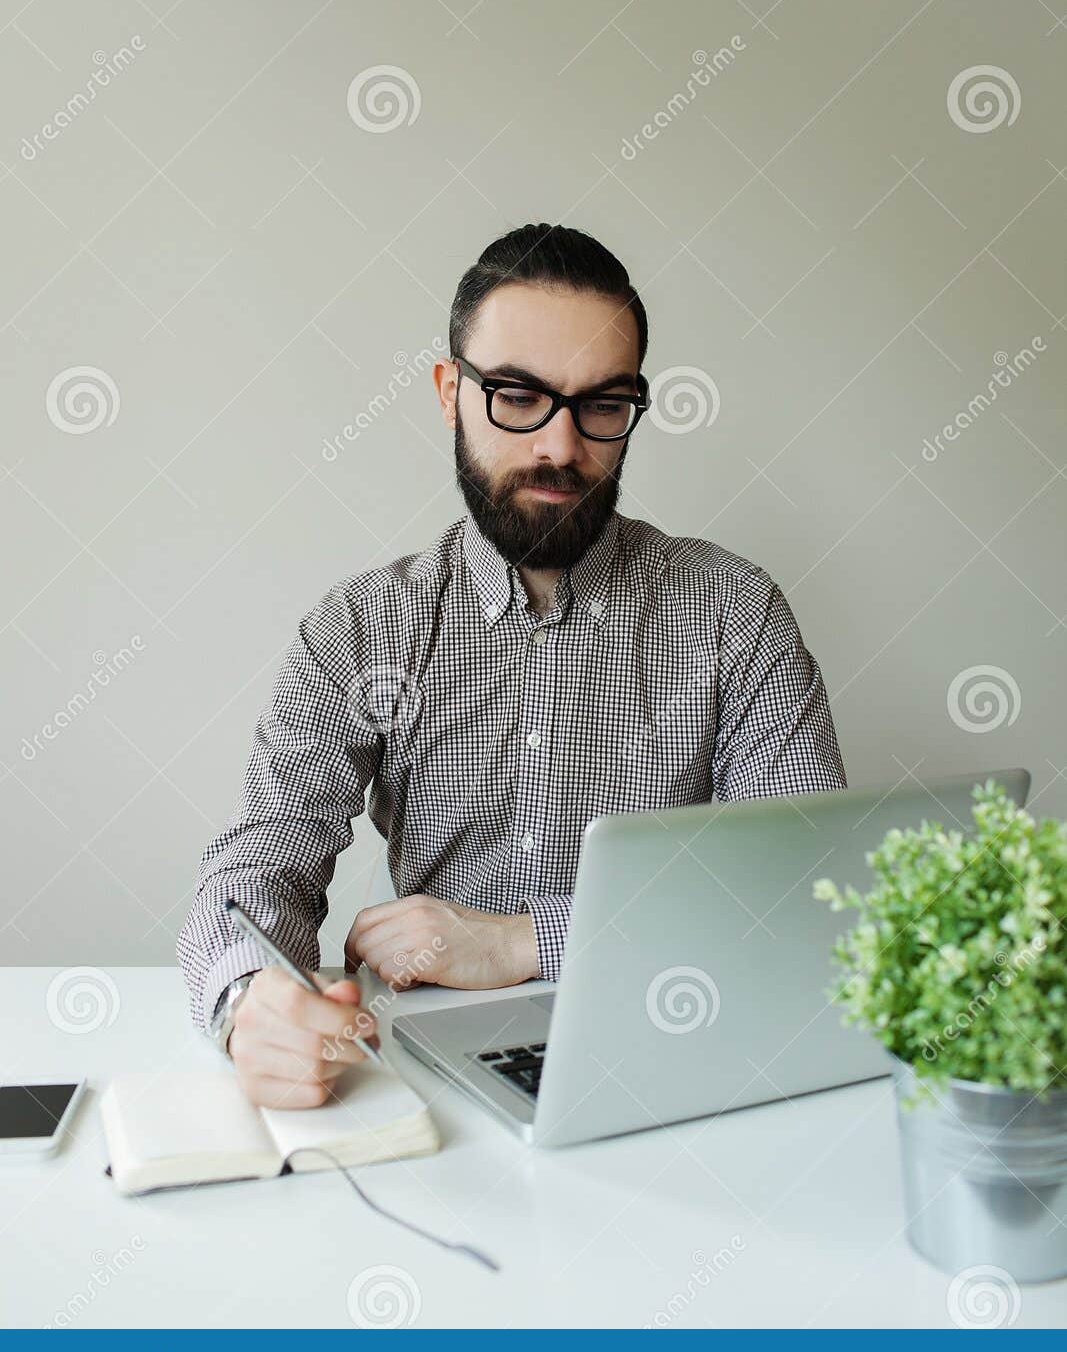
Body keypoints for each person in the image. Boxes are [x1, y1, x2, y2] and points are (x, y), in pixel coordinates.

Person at [177, 222, 846, 1108]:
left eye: (602, 405)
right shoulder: (359, 630)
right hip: (429, 1075)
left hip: (687, 1045)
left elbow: (800, 893)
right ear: (450, 392)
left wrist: (529, 943)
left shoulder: (733, 611)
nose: (560, 448)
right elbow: (259, 866)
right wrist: (249, 1001)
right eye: (518, 396)